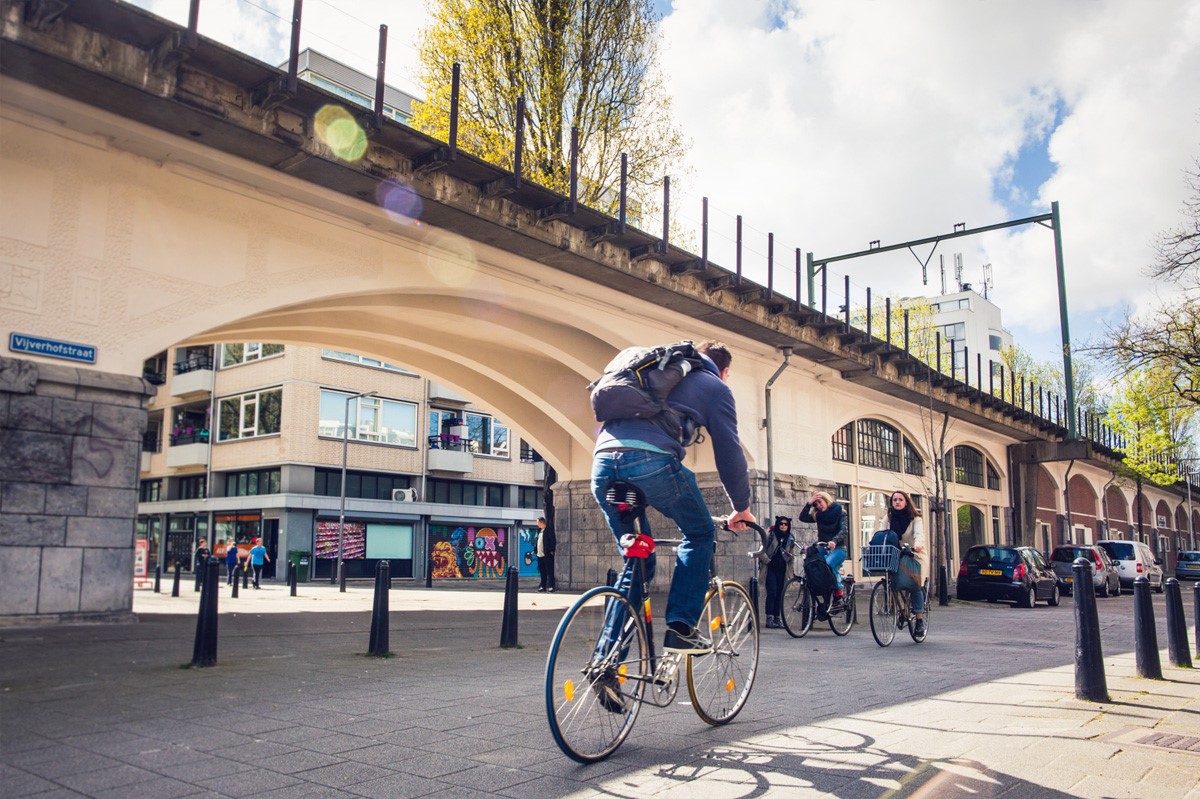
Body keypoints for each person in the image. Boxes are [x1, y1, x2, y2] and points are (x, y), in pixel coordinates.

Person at [593, 340, 756, 654]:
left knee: (638, 562)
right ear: (725, 371)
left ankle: (607, 660)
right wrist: (741, 507)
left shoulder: (654, 368)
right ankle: (681, 627)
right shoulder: (715, 387)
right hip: (651, 463)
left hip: (602, 465)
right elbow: (729, 452)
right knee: (699, 532)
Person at [888, 490, 928, 637]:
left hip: (914, 554)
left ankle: (919, 621)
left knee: (914, 585)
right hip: (897, 554)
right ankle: (900, 608)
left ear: (906, 502)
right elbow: (880, 533)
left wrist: (917, 546)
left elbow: (919, 535)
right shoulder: (888, 518)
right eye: (894, 500)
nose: (897, 502)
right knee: (893, 581)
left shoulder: (915, 519)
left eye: (900, 499)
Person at [798, 491, 848, 608]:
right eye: (816, 504)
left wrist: (834, 541)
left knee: (827, 564)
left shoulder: (840, 512)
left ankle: (838, 592)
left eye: (819, 502)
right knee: (812, 563)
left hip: (838, 548)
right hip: (823, 547)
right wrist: (809, 503)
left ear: (826, 500)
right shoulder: (818, 515)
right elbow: (802, 517)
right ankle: (820, 589)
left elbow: (844, 530)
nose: (818, 506)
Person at [763, 516, 795, 629]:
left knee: (780, 594)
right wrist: (768, 561)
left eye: (786, 524)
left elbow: (791, 556)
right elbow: (762, 551)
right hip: (770, 568)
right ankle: (769, 618)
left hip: (782, 569)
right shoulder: (770, 535)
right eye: (781, 523)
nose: (783, 526)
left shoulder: (790, 538)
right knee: (772, 592)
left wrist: (791, 572)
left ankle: (777, 618)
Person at [536, 517, 557, 593]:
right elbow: (537, 542)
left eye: (538, 522)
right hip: (539, 554)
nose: (537, 524)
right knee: (542, 571)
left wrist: (551, 550)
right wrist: (534, 550)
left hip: (547, 554)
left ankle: (551, 586)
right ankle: (543, 586)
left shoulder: (548, 530)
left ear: (541, 522)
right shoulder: (539, 531)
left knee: (549, 571)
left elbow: (553, 541)